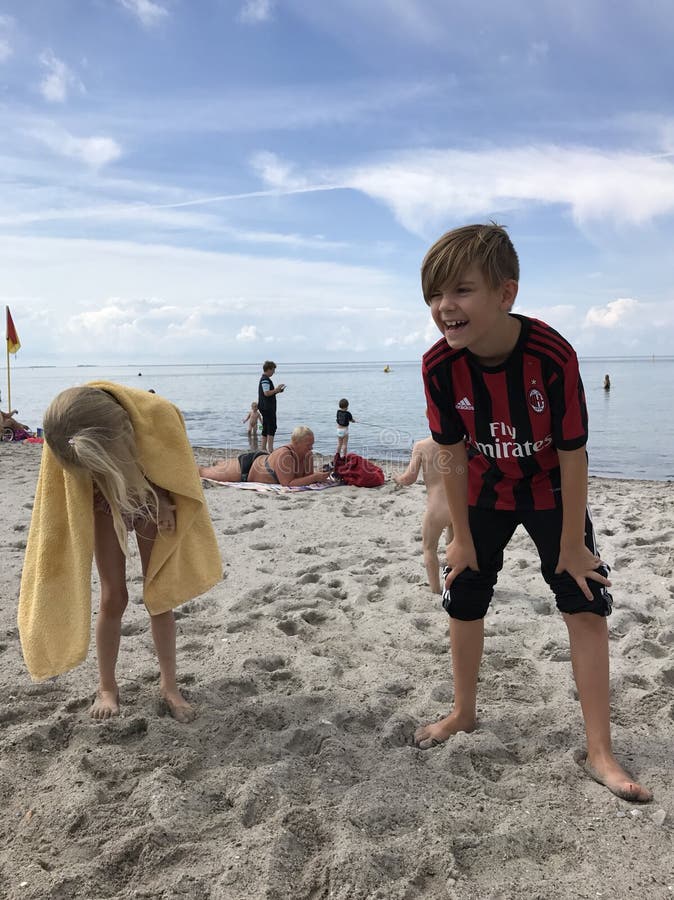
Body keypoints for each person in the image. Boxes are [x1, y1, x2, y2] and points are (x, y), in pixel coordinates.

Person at [415, 223, 651, 803]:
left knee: (585, 601)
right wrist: (460, 537)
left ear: (505, 293)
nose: (446, 307)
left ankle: (600, 750)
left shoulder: (552, 356)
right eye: (434, 296)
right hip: (484, 489)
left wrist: (573, 543)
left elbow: (574, 455)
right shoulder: (438, 366)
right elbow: (449, 453)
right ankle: (463, 712)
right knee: (465, 592)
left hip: (551, 489)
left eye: (462, 290)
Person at [18, 384, 222, 723]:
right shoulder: (65, 433)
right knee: (113, 597)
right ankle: (107, 687)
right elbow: (66, 492)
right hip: (100, 504)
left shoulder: (148, 416)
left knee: (160, 593)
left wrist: (164, 501)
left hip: (143, 499)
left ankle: (169, 685)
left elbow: (164, 458)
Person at [394, 437, 453, 594]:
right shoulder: (461, 442)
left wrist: (396, 478)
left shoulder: (422, 445)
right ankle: (455, 586)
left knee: (429, 548)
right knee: (454, 548)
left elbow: (408, 479)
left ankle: (435, 590)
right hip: (460, 506)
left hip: (436, 507)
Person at [199, 425, 330, 488]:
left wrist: (320, 475)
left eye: (312, 444)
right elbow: (288, 483)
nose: (311, 448)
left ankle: (221, 463)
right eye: (308, 444)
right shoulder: (285, 455)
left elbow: (307, 478)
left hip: (262, 460)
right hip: (247, 468)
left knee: (219, 467)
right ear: (295, 443)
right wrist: (315, 477)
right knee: (203, 472)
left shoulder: (308, 455)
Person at [258, 361, 285, 453]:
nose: (274, 372)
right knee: (272, 426)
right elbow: (266, 393)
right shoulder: (265, 379)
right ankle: (270, 449)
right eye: (273, 370)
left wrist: (277, 391)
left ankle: (263, 448)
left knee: (266, 426)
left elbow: (268, 392)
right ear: (269, 369)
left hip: (264, 407)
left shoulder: (264, 379)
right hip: (267, 407)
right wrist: (276, 389)